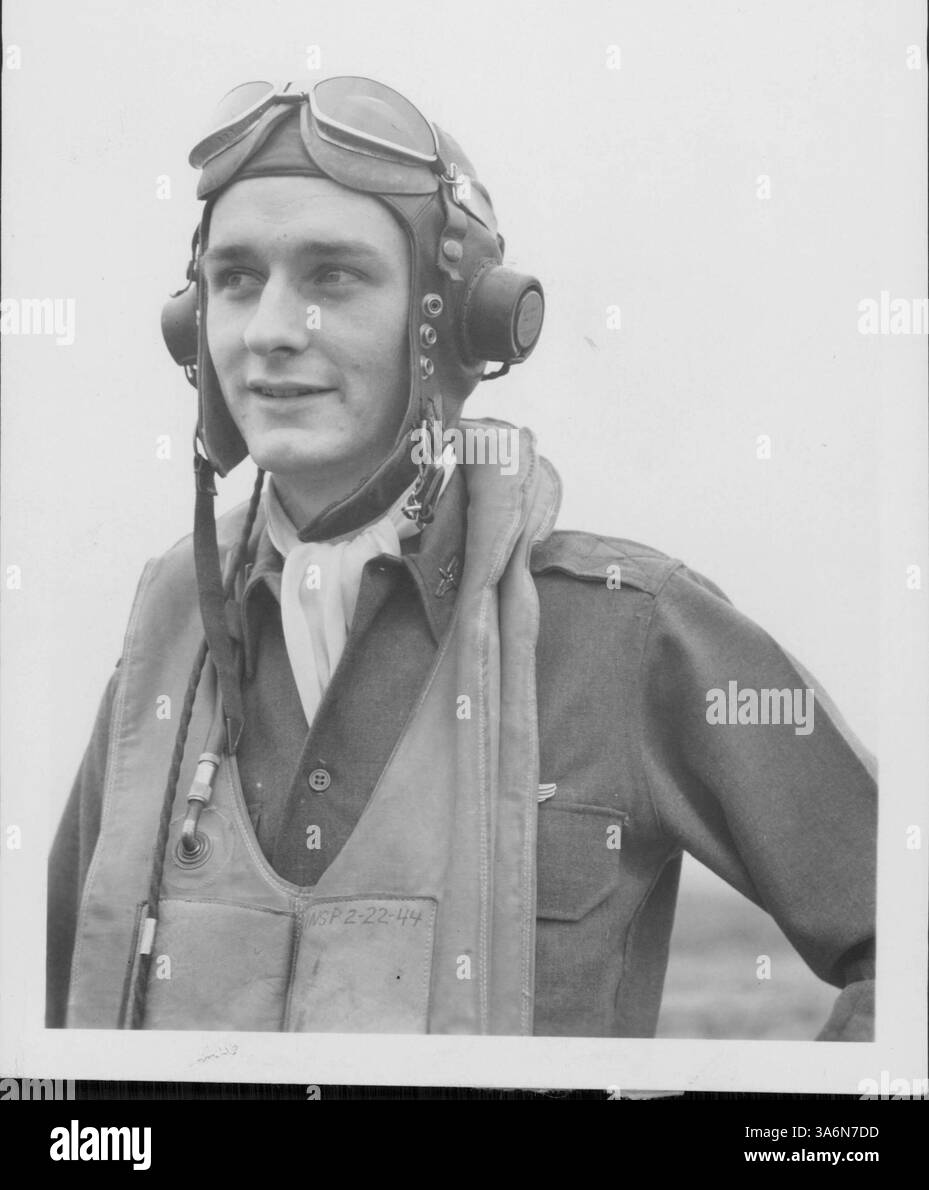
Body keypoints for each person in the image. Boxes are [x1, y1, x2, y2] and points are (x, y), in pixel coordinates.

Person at [47, 76, 876, 1038]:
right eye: (235, 279)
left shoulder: (625, 628)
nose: (271, 330)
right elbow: (40, 1024)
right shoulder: (165, 658)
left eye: (332, 278)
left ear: (461, 319)